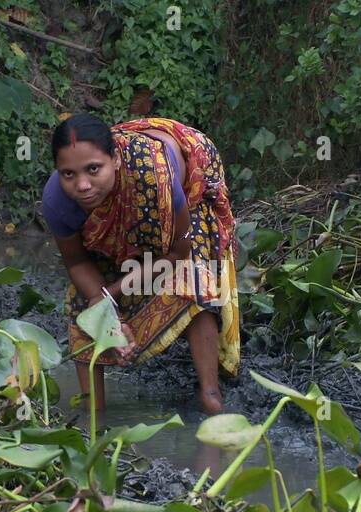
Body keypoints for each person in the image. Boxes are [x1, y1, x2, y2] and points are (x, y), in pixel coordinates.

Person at [42, 113, 240, 415]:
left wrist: (114, 290)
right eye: (68, 174)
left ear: (116, 160)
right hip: (140, 225)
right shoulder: (57, 201)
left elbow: (178, 250)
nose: (82, 185)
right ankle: (93, 411)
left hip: (186, 203)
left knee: (195, 280)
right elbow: (78, 261)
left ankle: (211, 396)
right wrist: (107, 313)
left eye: (93, 169)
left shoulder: (156, 178)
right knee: (82, 304)